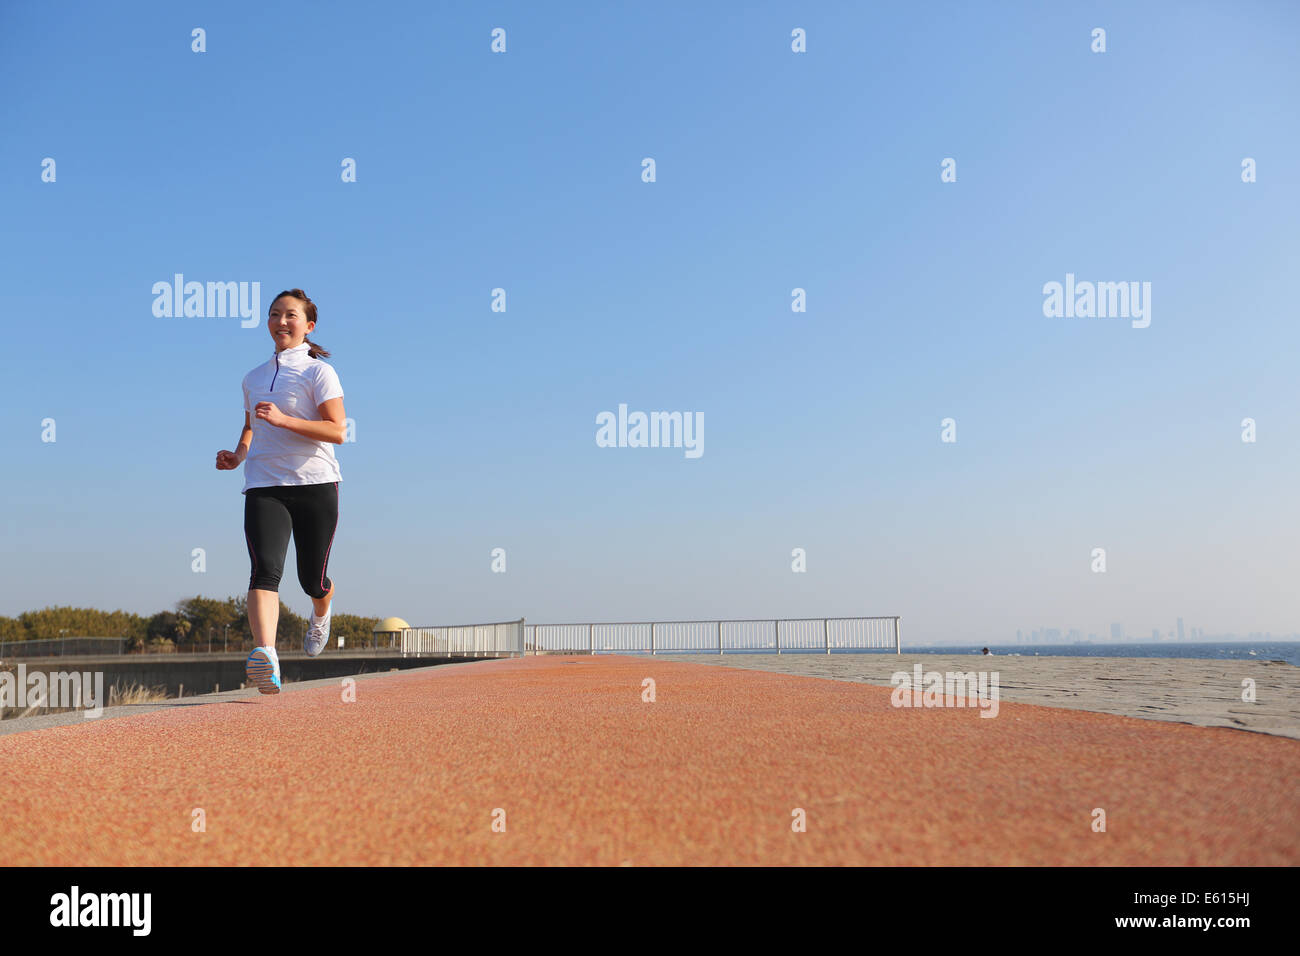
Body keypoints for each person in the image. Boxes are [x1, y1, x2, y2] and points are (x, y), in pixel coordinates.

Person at [214, 289, 346, 694]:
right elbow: (252, 424)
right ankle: (266, 656)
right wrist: (238, 454)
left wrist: (287, 421)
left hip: (314, 483)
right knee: (264, 570)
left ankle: (321, 611)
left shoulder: (318, 372)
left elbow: (337, 430)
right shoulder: (252, 377)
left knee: (312, 579)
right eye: (274, 314)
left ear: (308, 325)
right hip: (263, 484)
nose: (281, 321)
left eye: (290, 315)